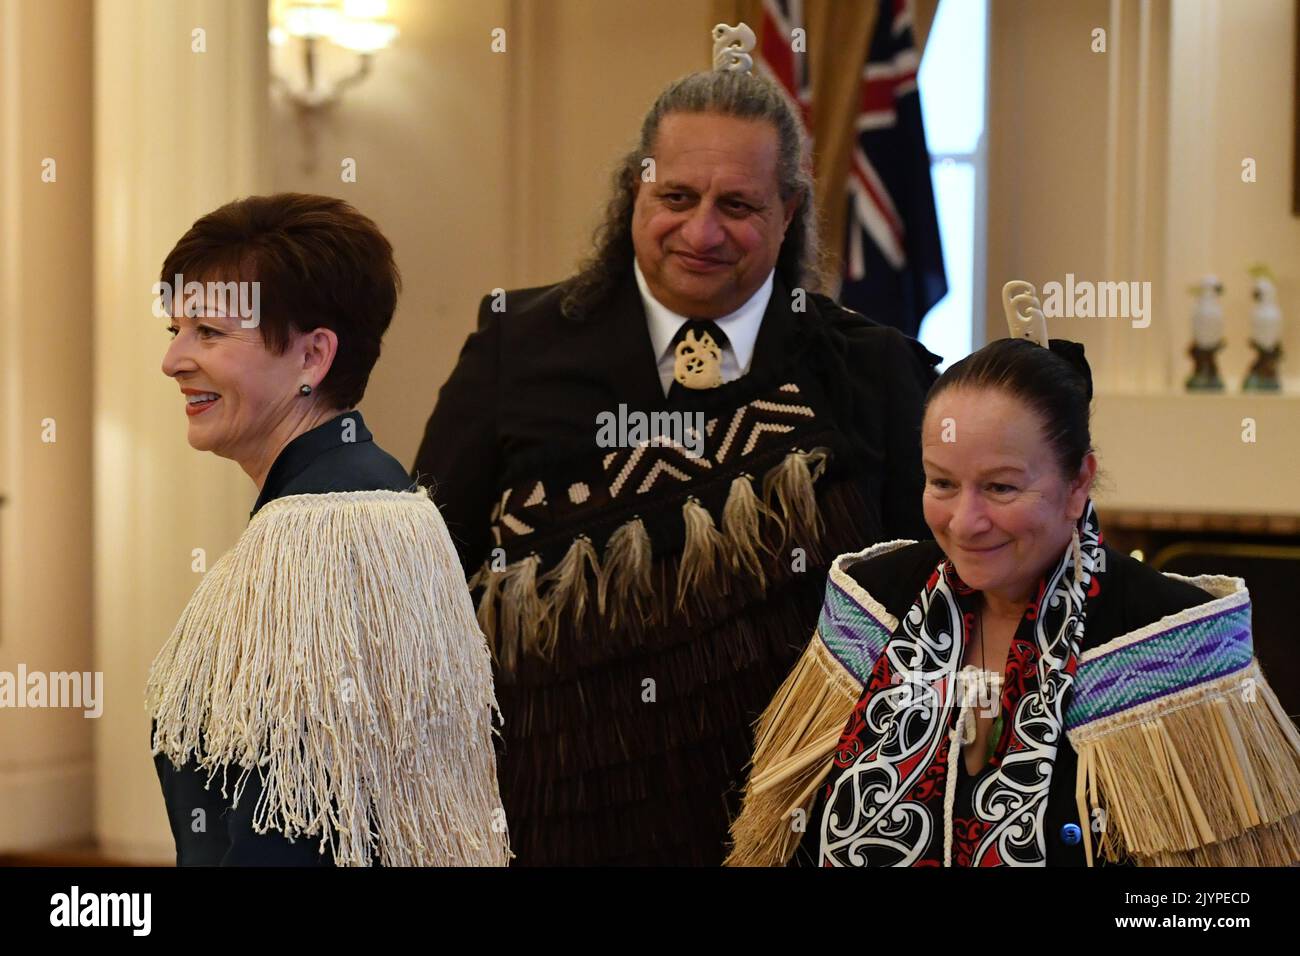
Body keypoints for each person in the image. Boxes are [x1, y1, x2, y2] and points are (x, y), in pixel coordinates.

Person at [412, 49, 941, 863]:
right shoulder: (514, 348)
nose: (701, 232)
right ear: (635, 190)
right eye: (676, 198)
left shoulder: (873, 372)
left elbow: (932, 600)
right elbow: (427, 574)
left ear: (789, 209)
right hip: (555, 823)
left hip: (805, 826)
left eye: (738, 205)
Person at [728, 331, 1300, 867]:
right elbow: (779, 840)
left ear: (1078, 484)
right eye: (942, 483)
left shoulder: (1170, 639)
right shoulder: (876, 603)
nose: (965, 522)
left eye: (1001, 487)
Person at [148, 193, 509, 867]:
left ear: (313, 357)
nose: (174, 361)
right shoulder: (371, 494)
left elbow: (292, 830)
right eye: (176, 331)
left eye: (210, 333)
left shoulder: (320, 531)